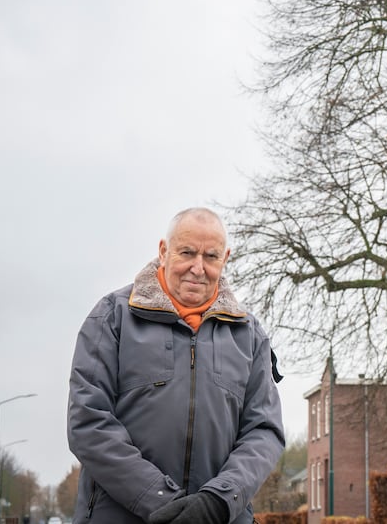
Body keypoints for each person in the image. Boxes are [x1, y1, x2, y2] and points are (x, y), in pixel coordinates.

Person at [68, 208, 284, 524]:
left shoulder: (250, 335)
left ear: (225, 258)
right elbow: (88, 421)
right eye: (187, 253)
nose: (198, 268)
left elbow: (264, 431)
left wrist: (218, 501)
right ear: (163, 251)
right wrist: (160, 500)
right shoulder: (112, 317)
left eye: (211, 256)